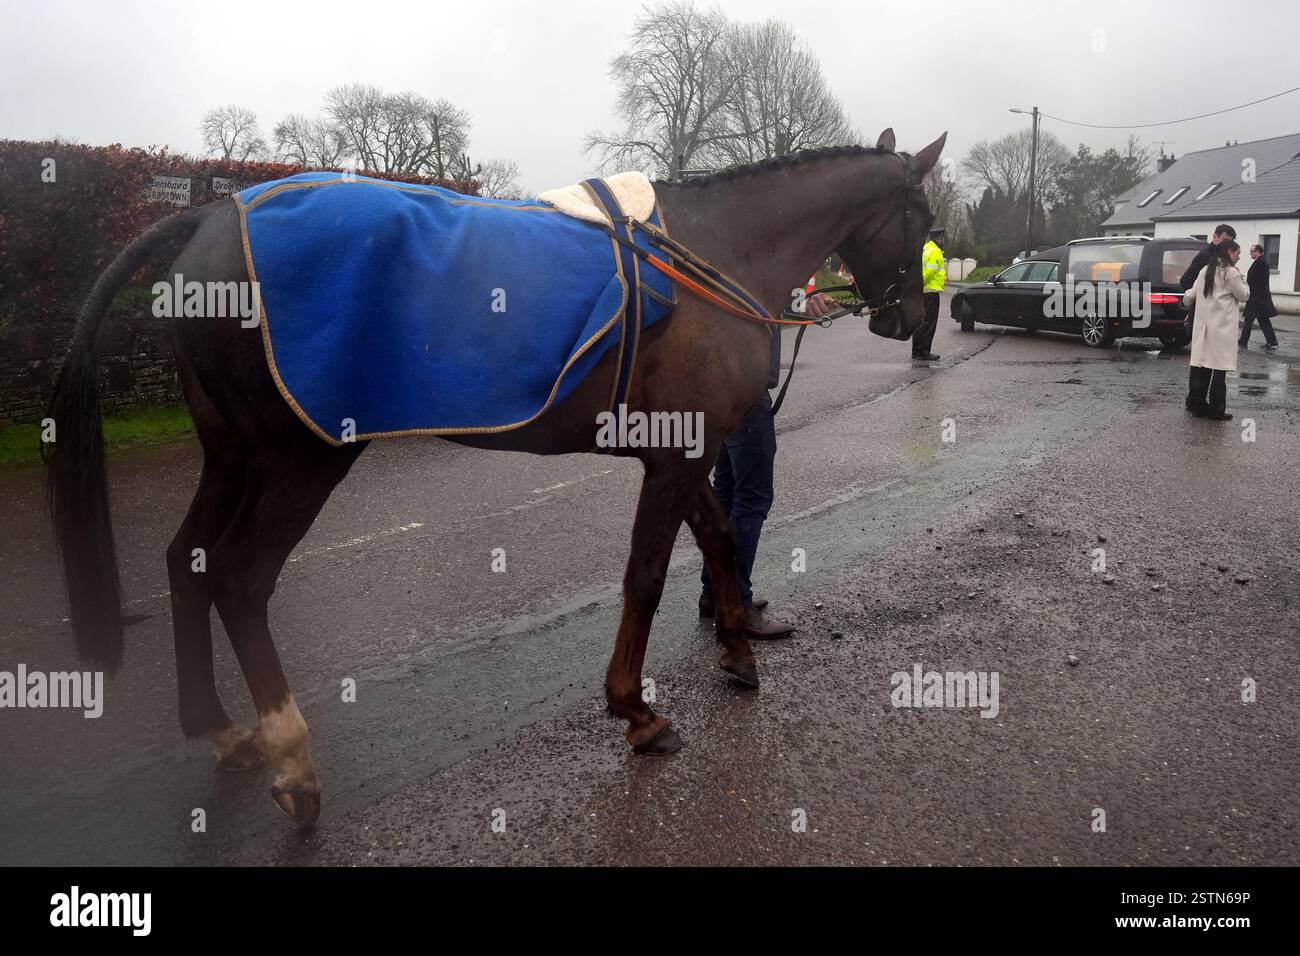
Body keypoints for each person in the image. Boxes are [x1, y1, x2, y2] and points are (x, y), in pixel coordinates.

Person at [697, 294, 841, 639]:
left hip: (720, 388)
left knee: (727, 495)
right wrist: (799, 301)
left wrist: (800, 303)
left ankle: (714, 593)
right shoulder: (745, 255)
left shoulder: (724, 254)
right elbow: (762, 290)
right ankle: (736, 604)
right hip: (745, 391)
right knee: (752, 498)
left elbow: (765, 297)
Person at [1183, 240, 1247, 421]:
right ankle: (1217, 410)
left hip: (1204, 329)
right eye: (1237, 253)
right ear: (1229, 251)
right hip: (1222, 329)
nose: (1239, 256)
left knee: (1203, 368)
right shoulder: (1231, 272)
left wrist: (1184, 301)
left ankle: (1198, 407)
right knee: (1220, 369)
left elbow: (1191, 295)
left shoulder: (1206, 270)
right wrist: (1245, 281)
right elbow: (1243, 295)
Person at [1179, 224, 1236, 342]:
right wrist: (1196, 305)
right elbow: (1186, 281)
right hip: (1204, 316)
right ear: (1215, 237)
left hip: (1218, 315)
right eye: (1225, 240)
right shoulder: (1205, 257)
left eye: (1230, 242)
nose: (1227, 245)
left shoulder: (1225, 259)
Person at [1239, 243, 1280, 351]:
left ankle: (1243, 342)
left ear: (1257, 251)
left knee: (1249, 319)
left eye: (1251, 251)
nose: (1250, 254)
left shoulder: (1261, 263)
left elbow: (1261, 282)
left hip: (1256, 298)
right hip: (1258, 298)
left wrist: (1255, 297)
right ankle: (1272, 340)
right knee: (1263, 320)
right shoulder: (1260, 262)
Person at [913, 228, 946, 361]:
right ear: (937, 238)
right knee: (929, 323)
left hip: (923, 292)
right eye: (942, 237)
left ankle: (916, 351)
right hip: (930, 292)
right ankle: (923, 352)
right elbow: (929, 272)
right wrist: (921, 284)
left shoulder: (926, 248)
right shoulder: (935, 251)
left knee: (920, 322)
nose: (943, 240)